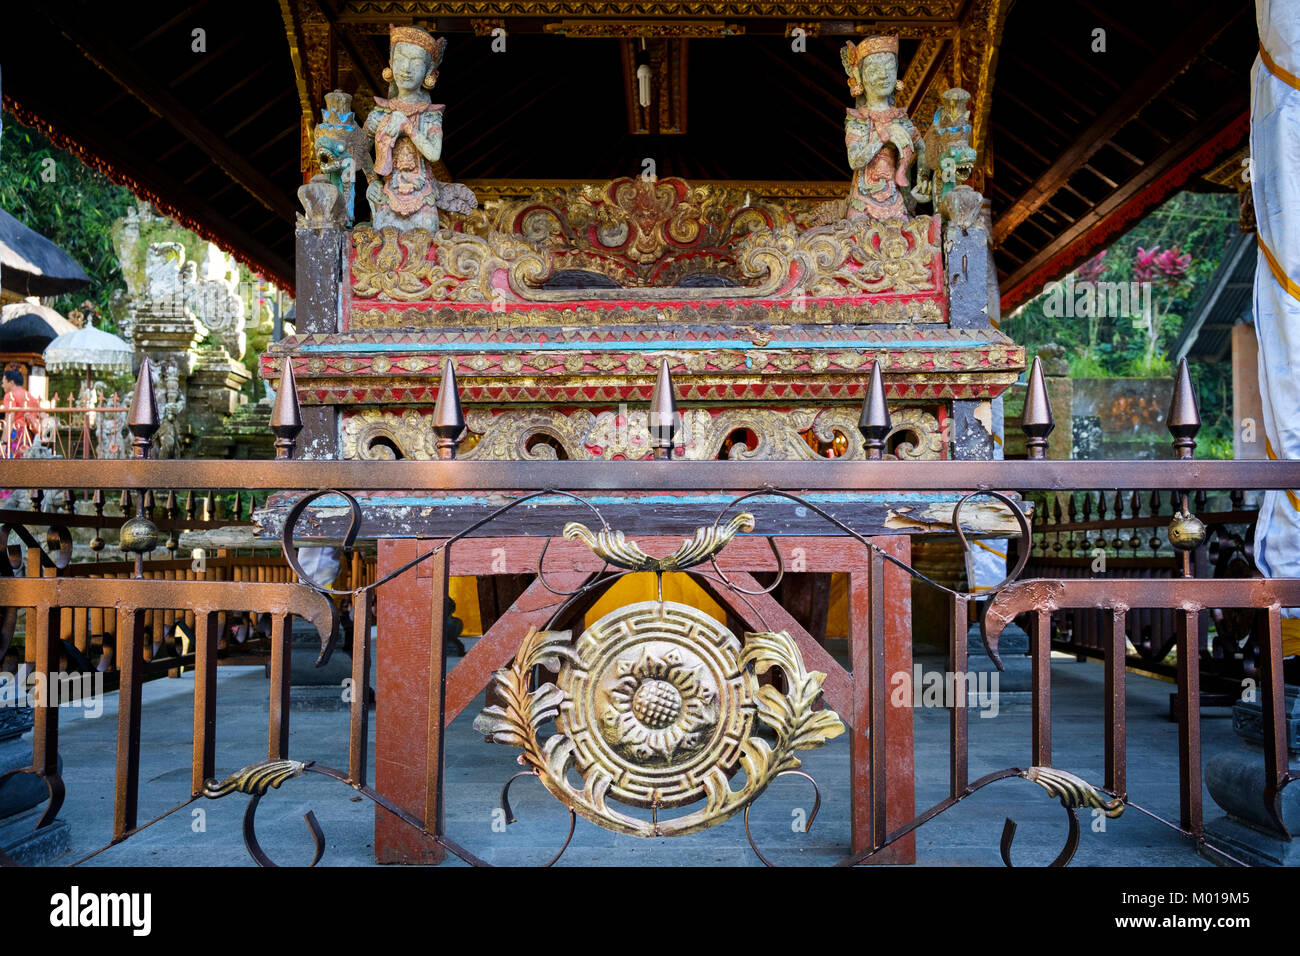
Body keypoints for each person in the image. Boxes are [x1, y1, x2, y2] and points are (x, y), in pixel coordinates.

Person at [1, 368, 41, 458]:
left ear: (11, 382)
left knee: (9, 465)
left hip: (16, 434)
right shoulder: (31, 397)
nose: (2, 386)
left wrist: (3, 442)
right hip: (29, 436)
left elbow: (9, 420)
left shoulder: (10, 396)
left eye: (4, 382)